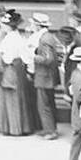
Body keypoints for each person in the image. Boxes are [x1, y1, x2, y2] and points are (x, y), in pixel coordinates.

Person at [30, 12, 64, 140]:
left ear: (38, 25)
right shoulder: (48, 36)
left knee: (44, 105)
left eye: (33, 24)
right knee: (48, 103)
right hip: (48, 77)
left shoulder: (43, 39)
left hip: (44, 77)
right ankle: (49, 129)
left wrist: (33, 57)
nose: (31, 26)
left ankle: (50, 131)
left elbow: (47, 59)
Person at [0, 10, 27, 135]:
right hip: (17, 69)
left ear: (8, 26)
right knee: (15, 98)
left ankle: (13, 127)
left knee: (10, 97)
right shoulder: (18, 36)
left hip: (9, 68)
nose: (2, 26)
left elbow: (6, 57)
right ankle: (16, 127)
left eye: (3, 24)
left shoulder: (9, 39)